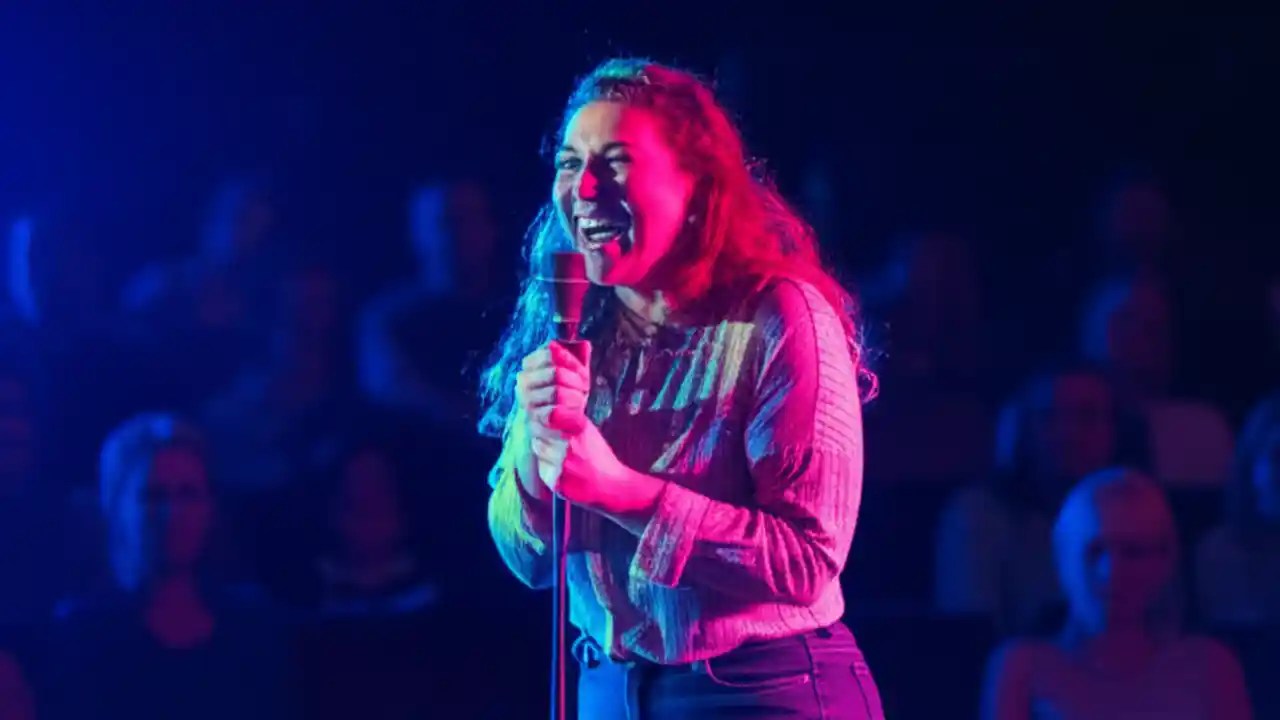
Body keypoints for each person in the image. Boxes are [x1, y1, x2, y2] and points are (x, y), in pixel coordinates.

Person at [479, 58, 882, 719]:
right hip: (609, 690)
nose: (582, 187)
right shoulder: (571, 322)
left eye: (614, 162)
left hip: (759, 691)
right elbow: (530, 564)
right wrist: (533, 447)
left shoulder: (778, 317)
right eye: (568, 162)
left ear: (695, 183)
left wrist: (621, 492)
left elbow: (808, 559)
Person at [48, 413, 296, 719]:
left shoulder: (252, 623)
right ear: (118, 508)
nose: (174, 512)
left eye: (188, 494)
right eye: (154, 495)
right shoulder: (83, 632)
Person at [981, 468, 1252, 720]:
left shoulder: (1210, 668)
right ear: (1062, 558)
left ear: (1165, 561)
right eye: (1095, 551)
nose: (1111, 572)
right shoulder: (1023, 668)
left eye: (1132, 552)